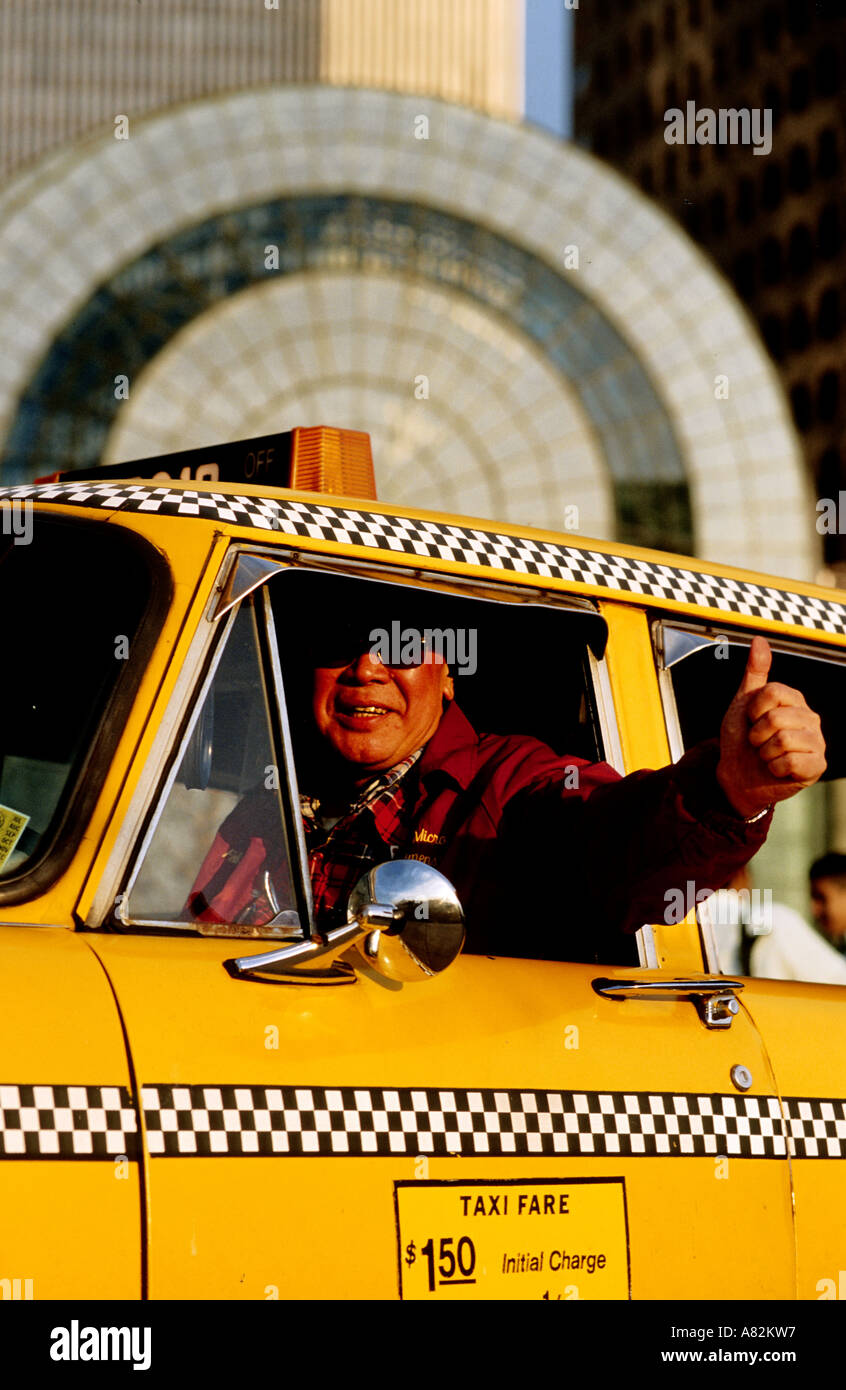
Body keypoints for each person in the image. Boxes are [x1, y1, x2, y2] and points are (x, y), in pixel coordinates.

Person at [189, 618, 827, 961]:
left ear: (448, 677)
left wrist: (728, 792)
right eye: (338, 643)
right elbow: (199, 951)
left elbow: (612, 839)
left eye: (401, 645)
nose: (365, 668)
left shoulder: (509, 783)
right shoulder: (265, 812)